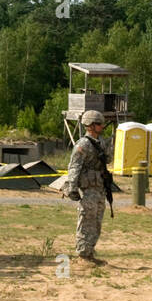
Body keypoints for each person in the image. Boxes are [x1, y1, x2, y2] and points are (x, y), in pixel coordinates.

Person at [64, 110, 110, 268]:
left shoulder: (101, 143)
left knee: (96, 221)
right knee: (86, 220)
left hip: (99, 188)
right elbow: (74, 166)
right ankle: (83, 254)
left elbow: (107, 160)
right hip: (88, 188)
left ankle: (90, 252)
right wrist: (72, 187)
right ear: (90, 126)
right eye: (98, 124)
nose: (102, 126)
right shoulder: (83, 144)